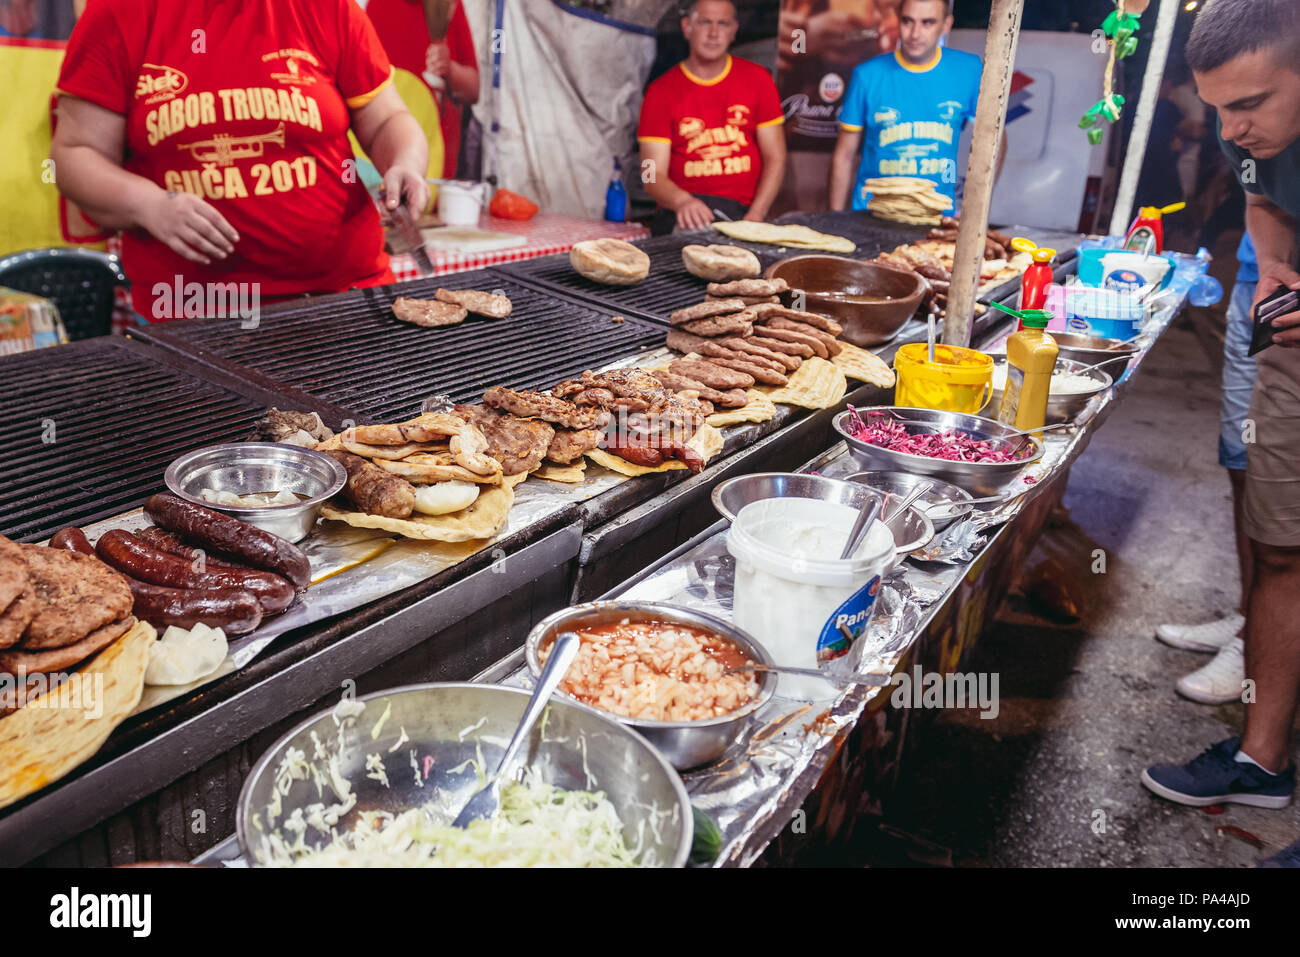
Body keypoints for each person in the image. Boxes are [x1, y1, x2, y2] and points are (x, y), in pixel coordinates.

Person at [1144, 0, 1300, 868]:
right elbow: (1265, 199)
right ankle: (1261, 759)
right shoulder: (1253, 137)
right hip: (1288, 344)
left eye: (1251, 104)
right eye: (1218, 110)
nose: (1232, 128)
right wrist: (1273, 268)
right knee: (1281, 545)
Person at [50, 0, 430, 320]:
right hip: (194, 312)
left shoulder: (325, 7)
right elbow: (76, 155)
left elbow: (385, 121)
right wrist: (148, 205)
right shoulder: (121, 13)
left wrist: (406, 163)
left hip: (345, 297)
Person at [1155, 232, 1256, 703]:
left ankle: (1260, 645)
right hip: (1258, 293)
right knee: (1245, 464)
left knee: (1284, 490)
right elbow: (1261, 201)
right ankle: (1251, 614)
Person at [828, 0, 1001, 213]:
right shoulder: (867, 75)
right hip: (872, 212)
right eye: (907, 21)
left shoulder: (969, 70)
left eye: (927, 22)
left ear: (946, 25)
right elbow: (844, 155)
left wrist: (977, 209)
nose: (915, 34)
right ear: (897, 21)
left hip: (937, 215)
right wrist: (835, 218)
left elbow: (995, 138)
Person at [637, 0, 787, 235]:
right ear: (687, 27)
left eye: (723, 23)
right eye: (705, 22)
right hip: (684, 213)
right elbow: (650, 174)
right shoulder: (660, 92)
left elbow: (776, 158)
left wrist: (757, 215)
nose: (714, 33)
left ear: (734, 30)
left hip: (744, 212)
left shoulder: (758, 80)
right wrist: (681, 202)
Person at [365, 0, 479, 179]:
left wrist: (449, 69)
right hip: (387, 165)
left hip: (439, 167)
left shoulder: (448, 5)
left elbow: (473, 89)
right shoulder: (376, 6)